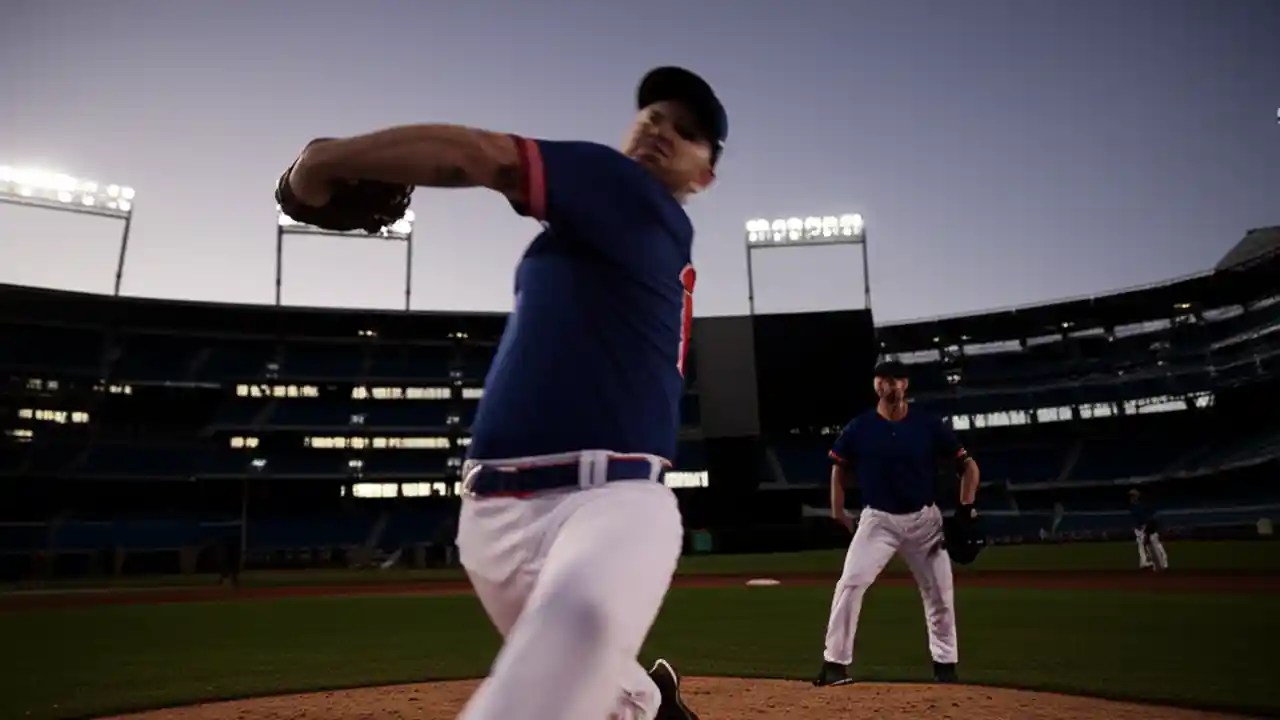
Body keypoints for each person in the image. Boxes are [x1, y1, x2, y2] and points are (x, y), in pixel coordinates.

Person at [284, 66, 726, 720]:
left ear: (702, 178)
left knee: (540, 688)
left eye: (687, 134)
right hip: (492, 520)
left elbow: (481, 156)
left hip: (610, 503)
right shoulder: (591, 229)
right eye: (655, 116)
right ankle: (652, 704)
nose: (663, 130)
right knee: (591, 683)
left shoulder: (629, 190)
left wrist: (321, 163)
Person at [813, 360, 981, 687]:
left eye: (895, 380)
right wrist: (838, 510)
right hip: (878, 521)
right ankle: (834, 664)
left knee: (940, 593)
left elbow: (969, 466)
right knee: (850, 583)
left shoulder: (927, 424)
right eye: (882, 380)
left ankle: (945, 667)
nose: (888, 385)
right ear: (875, 386)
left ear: (905, 385)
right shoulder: (860, 427)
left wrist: (966, 509)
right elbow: (838, 468)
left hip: (924, 521)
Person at [1128, 488, 1168, 572]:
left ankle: (1163, 563)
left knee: (1155, 544)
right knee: (1142, 545)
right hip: (1140, 528)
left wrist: (1149, 526)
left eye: (1133, 496)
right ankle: (1145, 563)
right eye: (1131, 496)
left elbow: (1152, 516)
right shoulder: (1133, 506)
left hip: (1148, 527)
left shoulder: (1142, 505)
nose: (1132, 497)